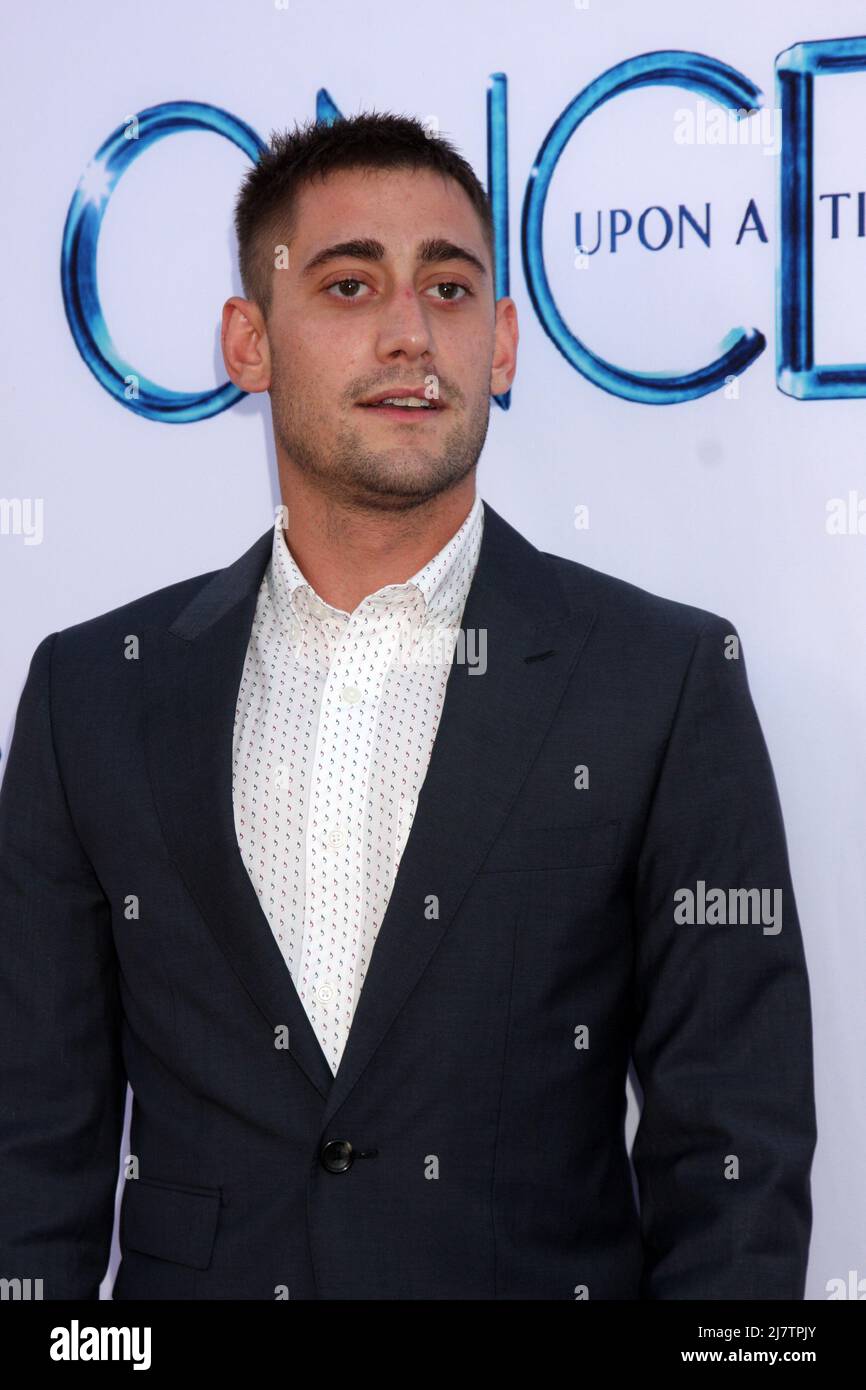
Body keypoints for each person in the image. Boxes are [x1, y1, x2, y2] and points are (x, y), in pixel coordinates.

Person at [0, 112, 816, 1300]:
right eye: (345, 285)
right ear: (248, 341)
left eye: (446, 288)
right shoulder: (94, 693)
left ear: (499, 344)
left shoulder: (660, 678)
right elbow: (32, 1144)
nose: (405, 333)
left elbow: (735, 1155)